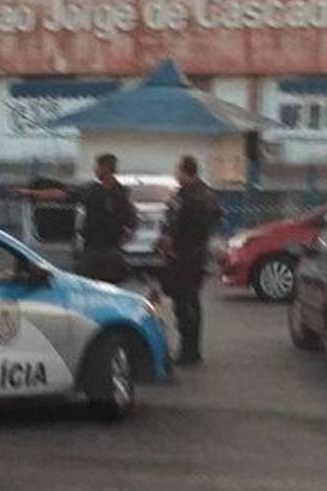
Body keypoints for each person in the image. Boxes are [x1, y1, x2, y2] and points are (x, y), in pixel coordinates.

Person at [17, 153, 137, 284]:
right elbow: (61, 195)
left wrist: (129, 231)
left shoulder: (114, 193)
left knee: (101, 287)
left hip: (104, 253)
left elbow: (131, 219)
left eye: (98, 167)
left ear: (105, 168)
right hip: (98, 249)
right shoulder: (97, 190)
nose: (95, 170)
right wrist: (31, 193)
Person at [157, 155, 221, 367]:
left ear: (185, 171)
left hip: (184, 255)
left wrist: (168, 243)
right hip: (197, 254)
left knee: (184, 303)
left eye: (178, 170)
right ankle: (193, 349)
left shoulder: (187, 197)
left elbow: (174, 225)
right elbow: (216, 219)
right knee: (191, 300)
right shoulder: (208, 194)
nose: (176, 174)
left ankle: (188, 351)